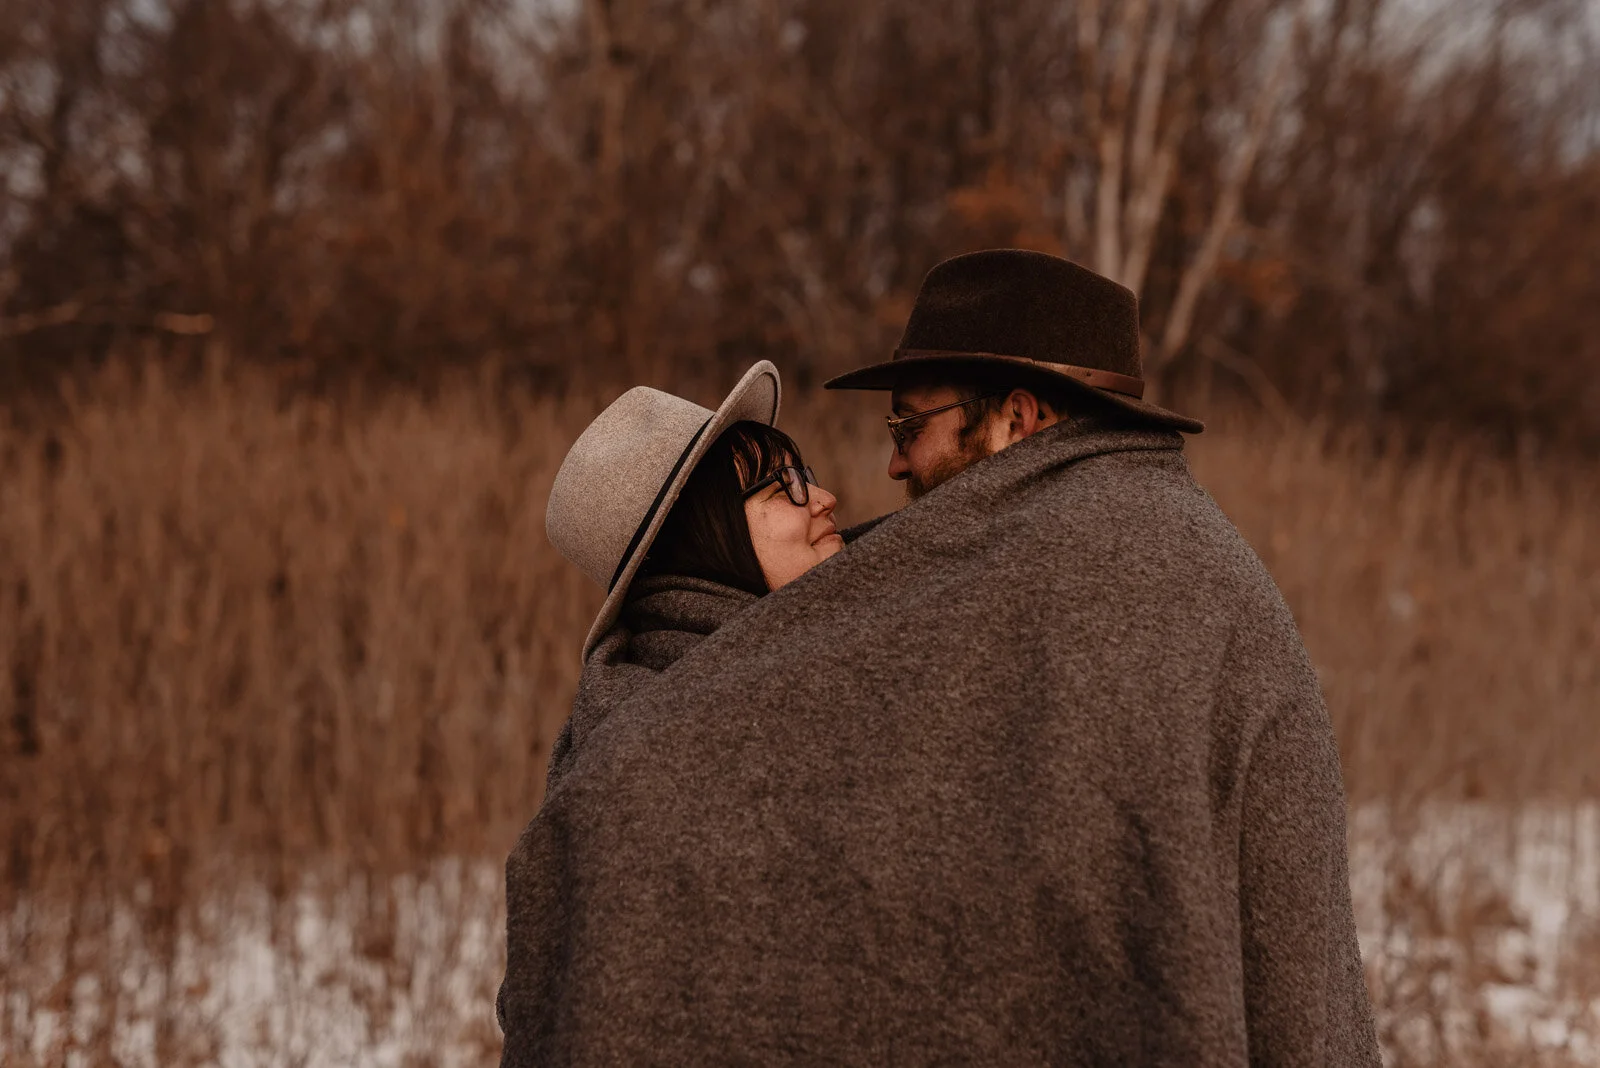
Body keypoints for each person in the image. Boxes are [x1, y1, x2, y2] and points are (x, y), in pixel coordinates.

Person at [500, 251, 1381, 1067]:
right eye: (779, 487)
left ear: (1016, 419)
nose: (879, 469)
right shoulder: (949, 603)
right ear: (706, 539)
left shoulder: (1060, 591)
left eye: (908, 423)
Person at [538, 359, 844, 785]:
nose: (825, 498)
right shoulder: (666, 741)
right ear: (708, 536)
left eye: (806, 477)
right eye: (783, 486)